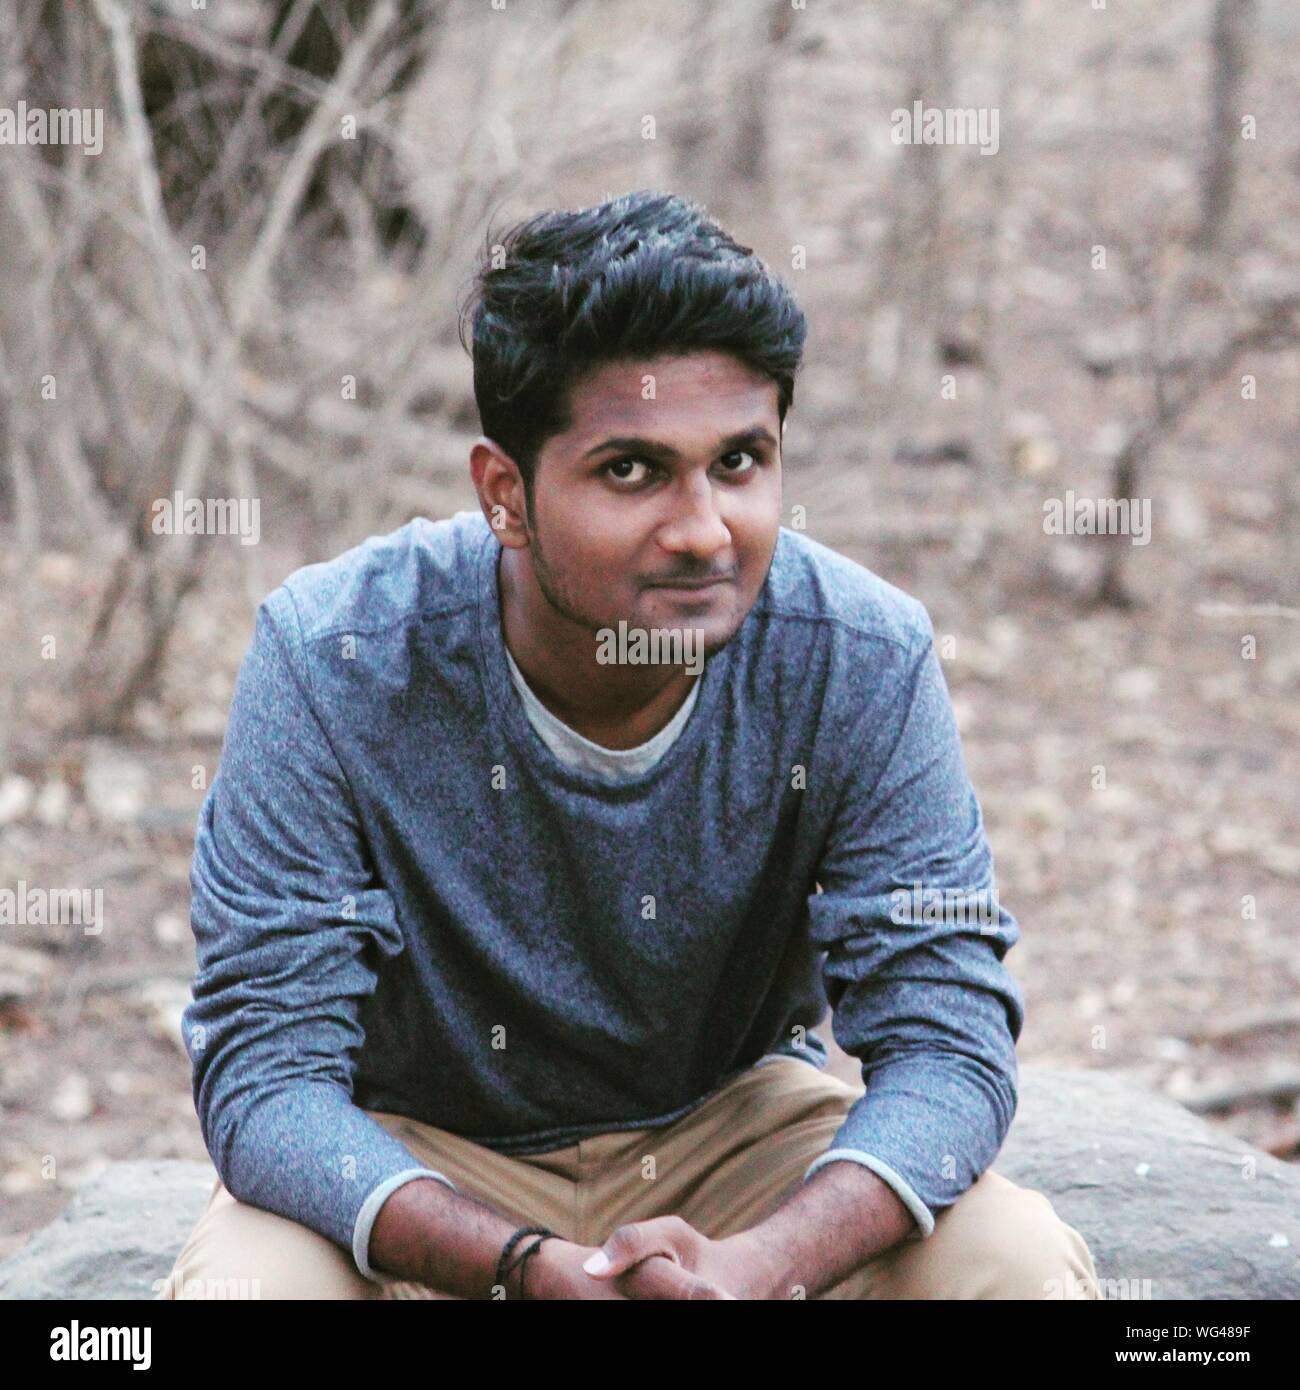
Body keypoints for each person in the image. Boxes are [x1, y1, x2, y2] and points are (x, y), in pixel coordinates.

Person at [159, 189, 1099, 1301]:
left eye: (740, 463)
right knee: (250, 1289)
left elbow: (948, 1043)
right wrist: (518, 1265)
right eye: (631, 471)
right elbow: (266, 1077)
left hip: (732, 1140)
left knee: (1011, 1263)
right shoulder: (336, 658)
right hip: (423, 1156)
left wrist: (766, 1261)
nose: (703, 529)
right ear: (505, 493)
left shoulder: (857, 655)